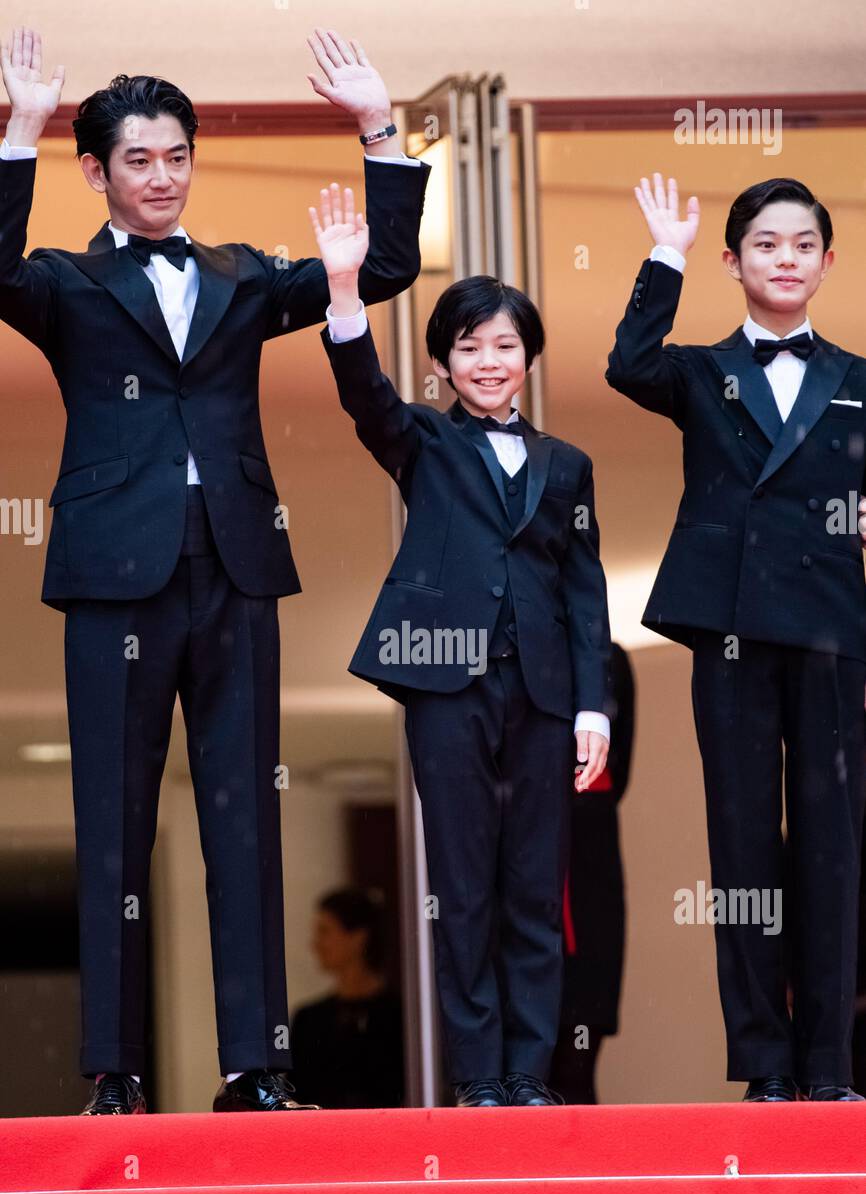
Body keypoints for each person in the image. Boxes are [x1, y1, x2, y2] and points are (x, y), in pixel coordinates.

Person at [0, 25, 430, 1114]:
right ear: (95, 171)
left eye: (176, 155)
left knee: (245, 820)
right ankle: (115, 1071)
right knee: (114, 823)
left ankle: (257, 1065)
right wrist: (23, 128)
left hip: (237, 569)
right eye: (138, 159)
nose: (161, 176)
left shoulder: (242, 277)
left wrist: (378, 127)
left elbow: (378, 269)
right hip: (112, 580)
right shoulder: (64, 284)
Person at [310, 188, 612, 1106]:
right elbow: (365, 398)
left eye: (506, 345)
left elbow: (585, 591)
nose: (490, 360)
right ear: (444, 361)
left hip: (548, 693)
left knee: (533, 887)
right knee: (464, 886)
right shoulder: (425, 441)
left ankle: (529, 1074)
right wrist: (344, 290)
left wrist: (593, 705)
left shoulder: (568, 466)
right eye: (470, 345)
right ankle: (478, 1078)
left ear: (527, 360)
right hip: (446, 684)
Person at [607, 171, 866, 1102]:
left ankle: (831, 1065)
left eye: (802, 245)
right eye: (765, 244)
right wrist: (663, 255)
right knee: (742, 843)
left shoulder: (860, 382)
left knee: (834, 847)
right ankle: (763, 1064)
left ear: (827, 263)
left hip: (836, 633)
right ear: (735, 260)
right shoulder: (698, 371)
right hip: (729, 628)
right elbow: (627, 365)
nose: (785, 259)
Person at [550, 642, 634, 1104]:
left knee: (577, 1066)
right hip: (529, 869)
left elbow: (617, 774)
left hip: (589, 875)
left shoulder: (610, 662)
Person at [289, 889, 404, 1109]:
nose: (316, 944)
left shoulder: (398, 1015)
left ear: (358, 938)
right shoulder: (308, 1018)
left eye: (325, 932)